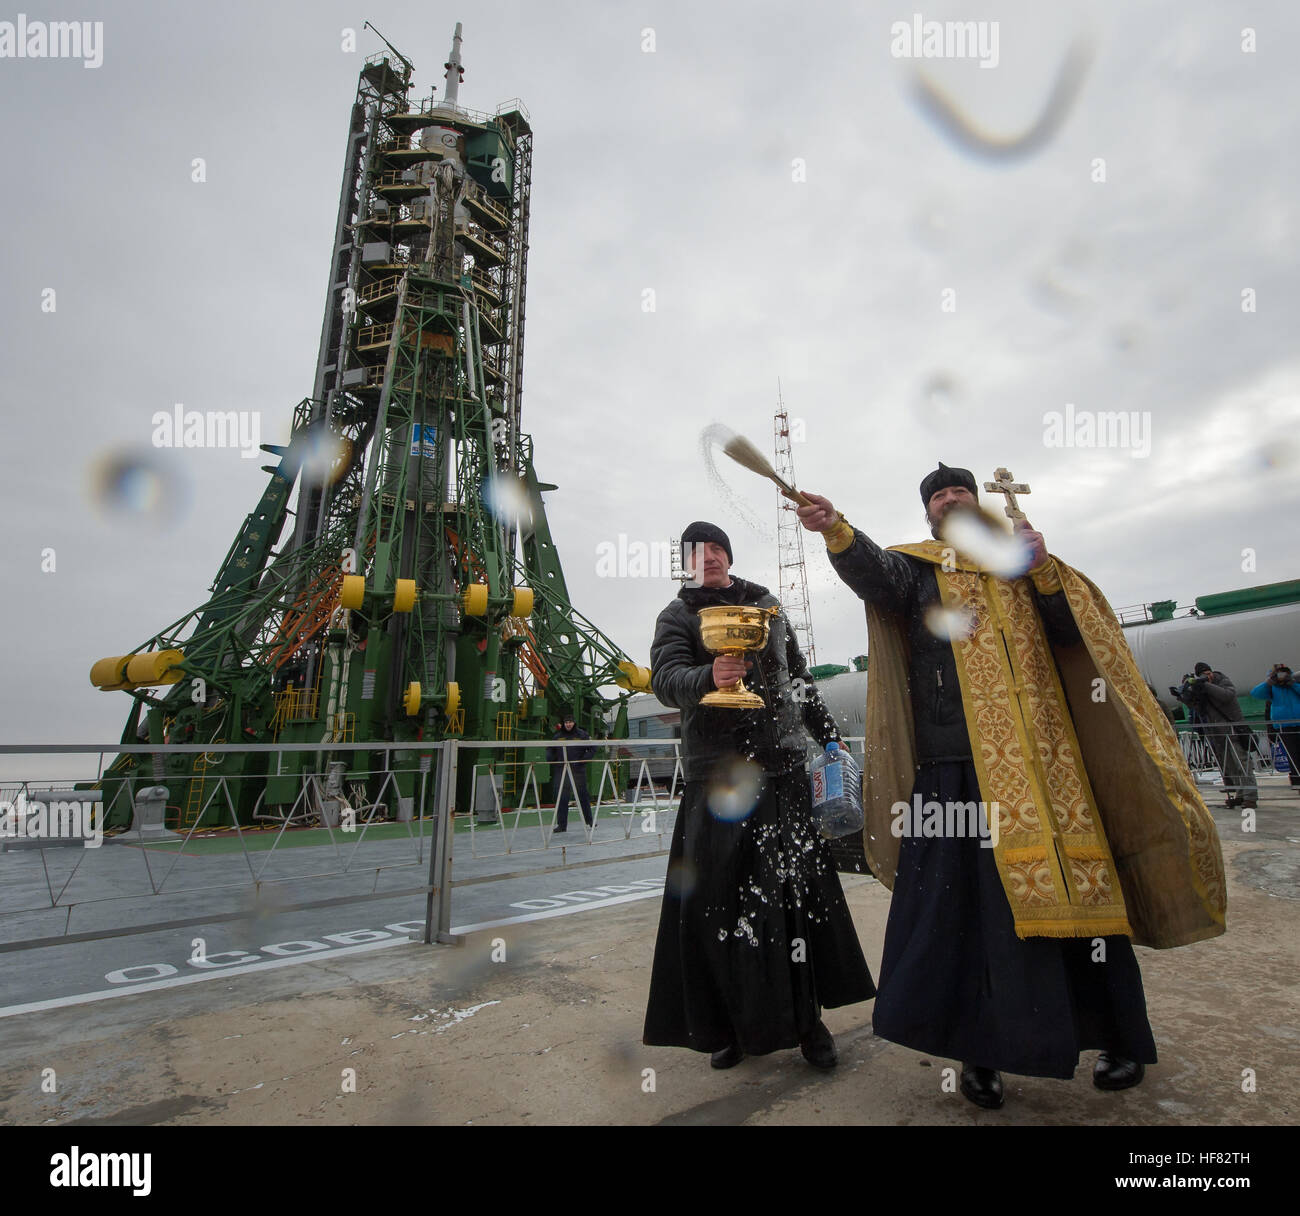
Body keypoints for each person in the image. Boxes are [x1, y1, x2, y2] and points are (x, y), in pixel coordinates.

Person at [798, 465, 1226, 1109]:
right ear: (929, 516)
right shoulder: (917, 571)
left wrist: (1050, 576)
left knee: (1084, 899)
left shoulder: (1026, 562)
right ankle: (982, 1051)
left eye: (958, 491)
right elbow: (872, 573)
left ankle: (1116, 1037)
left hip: (1049, 765)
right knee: (966, 914)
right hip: (956, 767)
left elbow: (1075, 636)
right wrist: (836, 530)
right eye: (938, 496)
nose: (950, 499)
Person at [642, 521, 876, 1070]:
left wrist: (828, 735)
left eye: (718, 548)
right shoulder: (677, 616)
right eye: (698, 553)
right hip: (717, 777)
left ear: (728, 555)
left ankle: (807, 1021)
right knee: (715, 903)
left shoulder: (765, 607)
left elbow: (797, 678)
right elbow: (665, 679)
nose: (711, 558)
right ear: (687, 564)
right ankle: (722, 1026)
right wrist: (708, 676)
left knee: (797, 898)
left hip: (781, 770)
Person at [1172, 664, 1258, 809]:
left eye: (1208, 673)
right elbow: (1199, 708)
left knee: (1242, 763)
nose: (1208, 676)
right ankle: (1240, 794)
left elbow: (1227, 696)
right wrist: (1183, 696)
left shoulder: (1222, 681)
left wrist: (1204, 684)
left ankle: (1251, 797)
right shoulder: (1203, 688)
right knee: (1230, 766)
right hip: (1218, 734)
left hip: (1233, 731)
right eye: (1203, 675)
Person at [1251, 664, 1300, 788]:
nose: (1281, 676)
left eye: (1284, 673)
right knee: (1293, 755)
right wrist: (1269, 682)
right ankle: (1297, 781)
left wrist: (1292, 683)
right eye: (1279, 674)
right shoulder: (1272, 688)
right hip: (1284, 726)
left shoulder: (1294, 684)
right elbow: (1256, 693)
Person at [547, 709, 595, 832]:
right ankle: (562, 825)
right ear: (563, 723)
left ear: (574, 723)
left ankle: (589, 821)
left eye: (570, 722)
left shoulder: (581, 735)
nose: (568, 724)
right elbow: (550, 749)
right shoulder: (558, 736)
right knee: (562, 798)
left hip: (578, 771)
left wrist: (583, 760)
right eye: (566, 722)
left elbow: (592, 748)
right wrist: (552, 759)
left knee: (583, 796)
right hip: (562, 771)